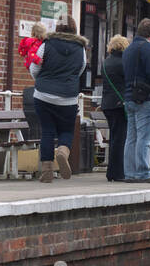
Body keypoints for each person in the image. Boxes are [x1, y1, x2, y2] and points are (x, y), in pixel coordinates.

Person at [32, 16, 88, 182]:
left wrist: (41, 80)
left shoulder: (46, 44)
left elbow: (35, 67)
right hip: (68, 98)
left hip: (43, 95)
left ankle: (47, 170)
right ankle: (63, 151)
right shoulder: (80, 49)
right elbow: (80, 70)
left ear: (57, 28)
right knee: (66, 130)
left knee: (47, 131)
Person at [122, 17, 150, 183]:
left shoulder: (129, 48)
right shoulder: (147, 49)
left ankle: (130, 173)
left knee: (131, 138)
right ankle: (143, 173)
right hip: (146, 98)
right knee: (146, 139)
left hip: (130, 96)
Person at [99, 35, 129, 182]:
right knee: (119, 139)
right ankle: (117, 173)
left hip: (107, 104)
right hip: (119, 104)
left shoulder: (106, 62)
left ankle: (112, 172)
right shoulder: (123, 62)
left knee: (115, 137)